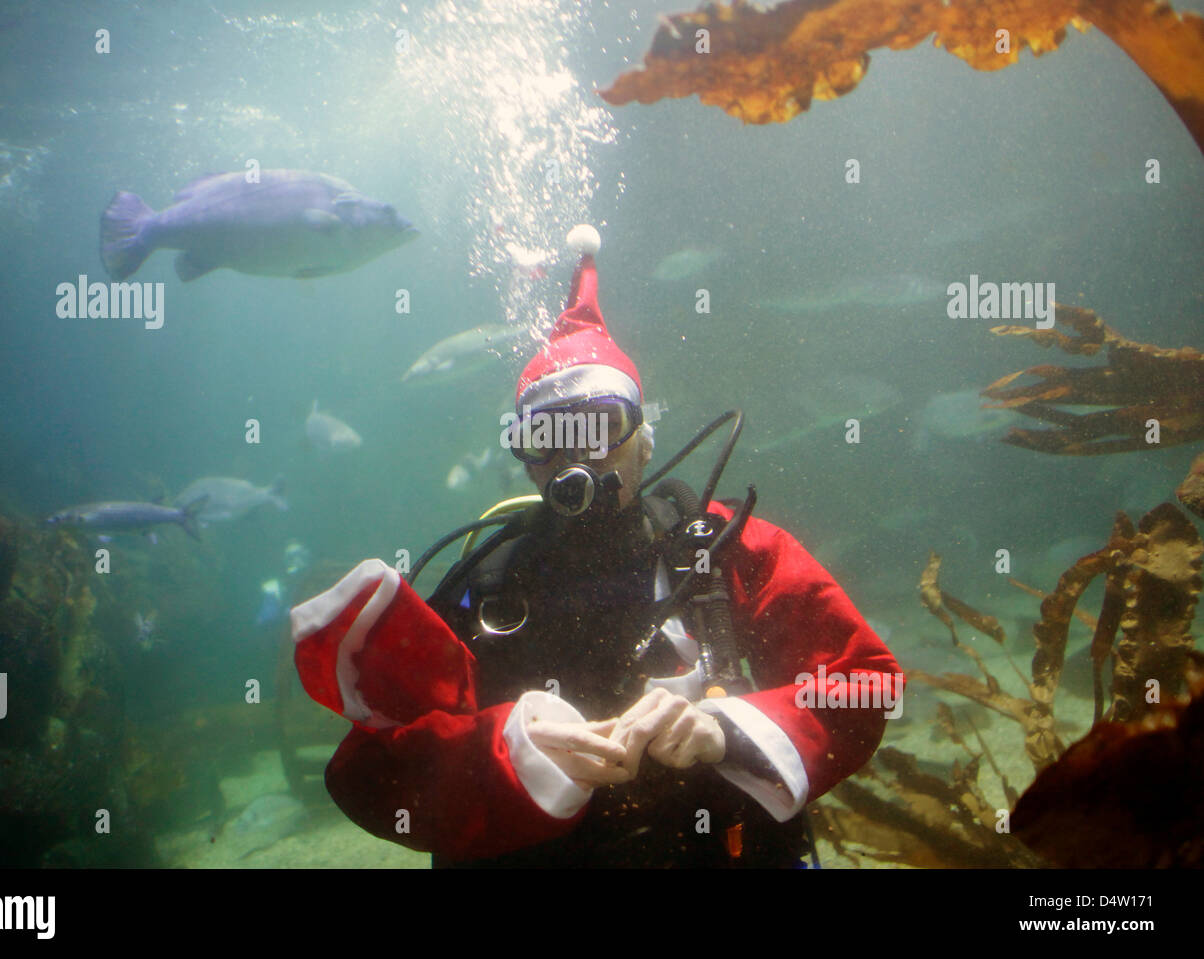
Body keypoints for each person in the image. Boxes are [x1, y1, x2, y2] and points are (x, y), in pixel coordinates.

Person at [292, 226, 902, 868]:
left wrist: (720, 730)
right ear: (524, 460)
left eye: (599, 428)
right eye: (546, 438)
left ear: (645, 438)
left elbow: (864, 684)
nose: (572, 461)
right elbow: (368, 773)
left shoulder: (722, 547)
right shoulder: (485, 582)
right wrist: (508, 747)